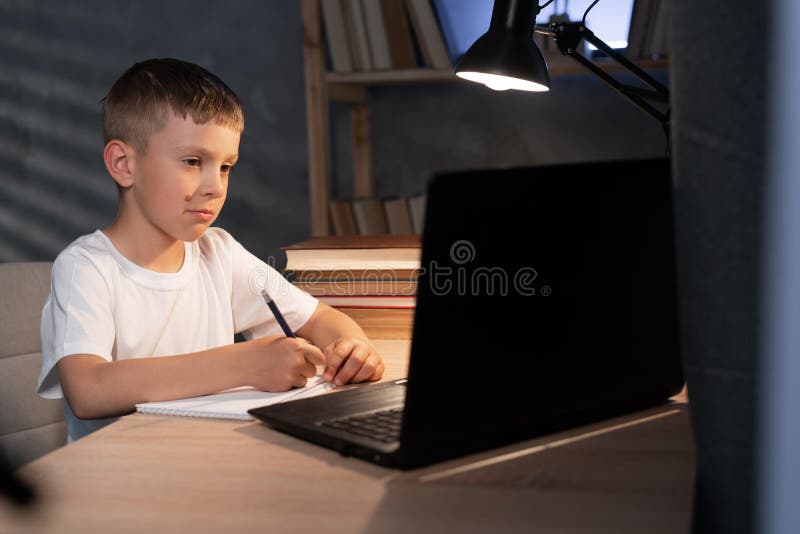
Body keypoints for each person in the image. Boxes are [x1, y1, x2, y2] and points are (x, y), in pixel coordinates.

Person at [36, 58, 384, 442]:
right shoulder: (86, 268)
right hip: (118, 482)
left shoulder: (219, 252)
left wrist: (353, 348)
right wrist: (242, 364)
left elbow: (321, 319)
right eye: (192, 161)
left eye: (225, 167)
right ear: (123, 164)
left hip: (203, 461)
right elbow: (89, 390)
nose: (215, 186)